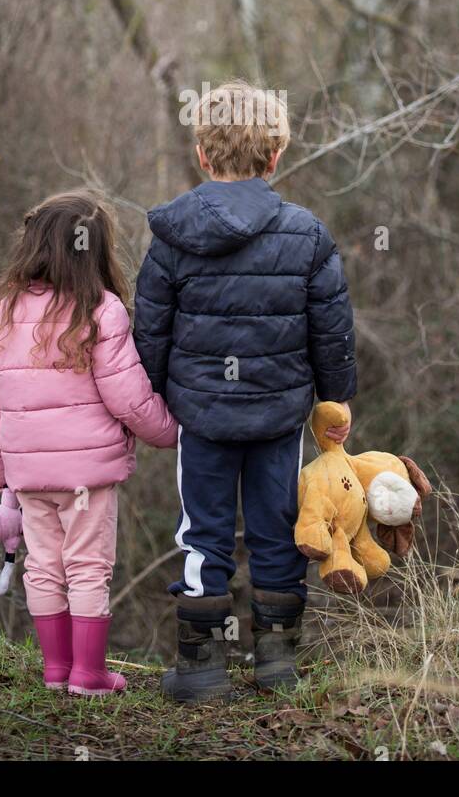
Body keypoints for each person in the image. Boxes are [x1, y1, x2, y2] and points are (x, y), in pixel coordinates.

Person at [135, 80, 356, 701]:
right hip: (279, 416)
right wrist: (335, 399)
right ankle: (276, 661)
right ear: (276, 156)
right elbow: (332, 327)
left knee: (201, 531)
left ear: (203, 155)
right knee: (278, 526)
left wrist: (150, 397)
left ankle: (202, 667)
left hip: (201, 417)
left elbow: (149, 329)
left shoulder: (171, 236)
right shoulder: (306, 234)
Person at [0, 190, 177, 695]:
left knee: (43, 566)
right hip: (87, 477)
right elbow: (128, 399)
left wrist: (3, 477)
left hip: (29, 476)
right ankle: (88, 674)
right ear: (94, 251)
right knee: (87, 566)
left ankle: (55, 670)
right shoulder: (101, 311)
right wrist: (171, 432)